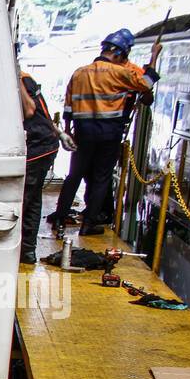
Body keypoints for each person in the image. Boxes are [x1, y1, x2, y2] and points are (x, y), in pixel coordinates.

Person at [50, 29, 161, 237]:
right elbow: (146, 84)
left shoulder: (79, 72)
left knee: (74, 175)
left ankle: (60, 219)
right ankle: (88, 224)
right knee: (102, 177)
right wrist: (154, 55)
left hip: (83, 131)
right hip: (109, 132)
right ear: (119, 53)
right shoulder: (119, 72)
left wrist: (67, 132)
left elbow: (68, 107)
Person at [18, 69, 64, 264]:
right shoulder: (26, 77)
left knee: (23, 200)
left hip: (38, 147)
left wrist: (16, 82)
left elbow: (29, 110)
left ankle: (19, 249)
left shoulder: (19, 78)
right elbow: (42, 112)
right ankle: (27, 251)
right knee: (33, 198)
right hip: (45, 144)